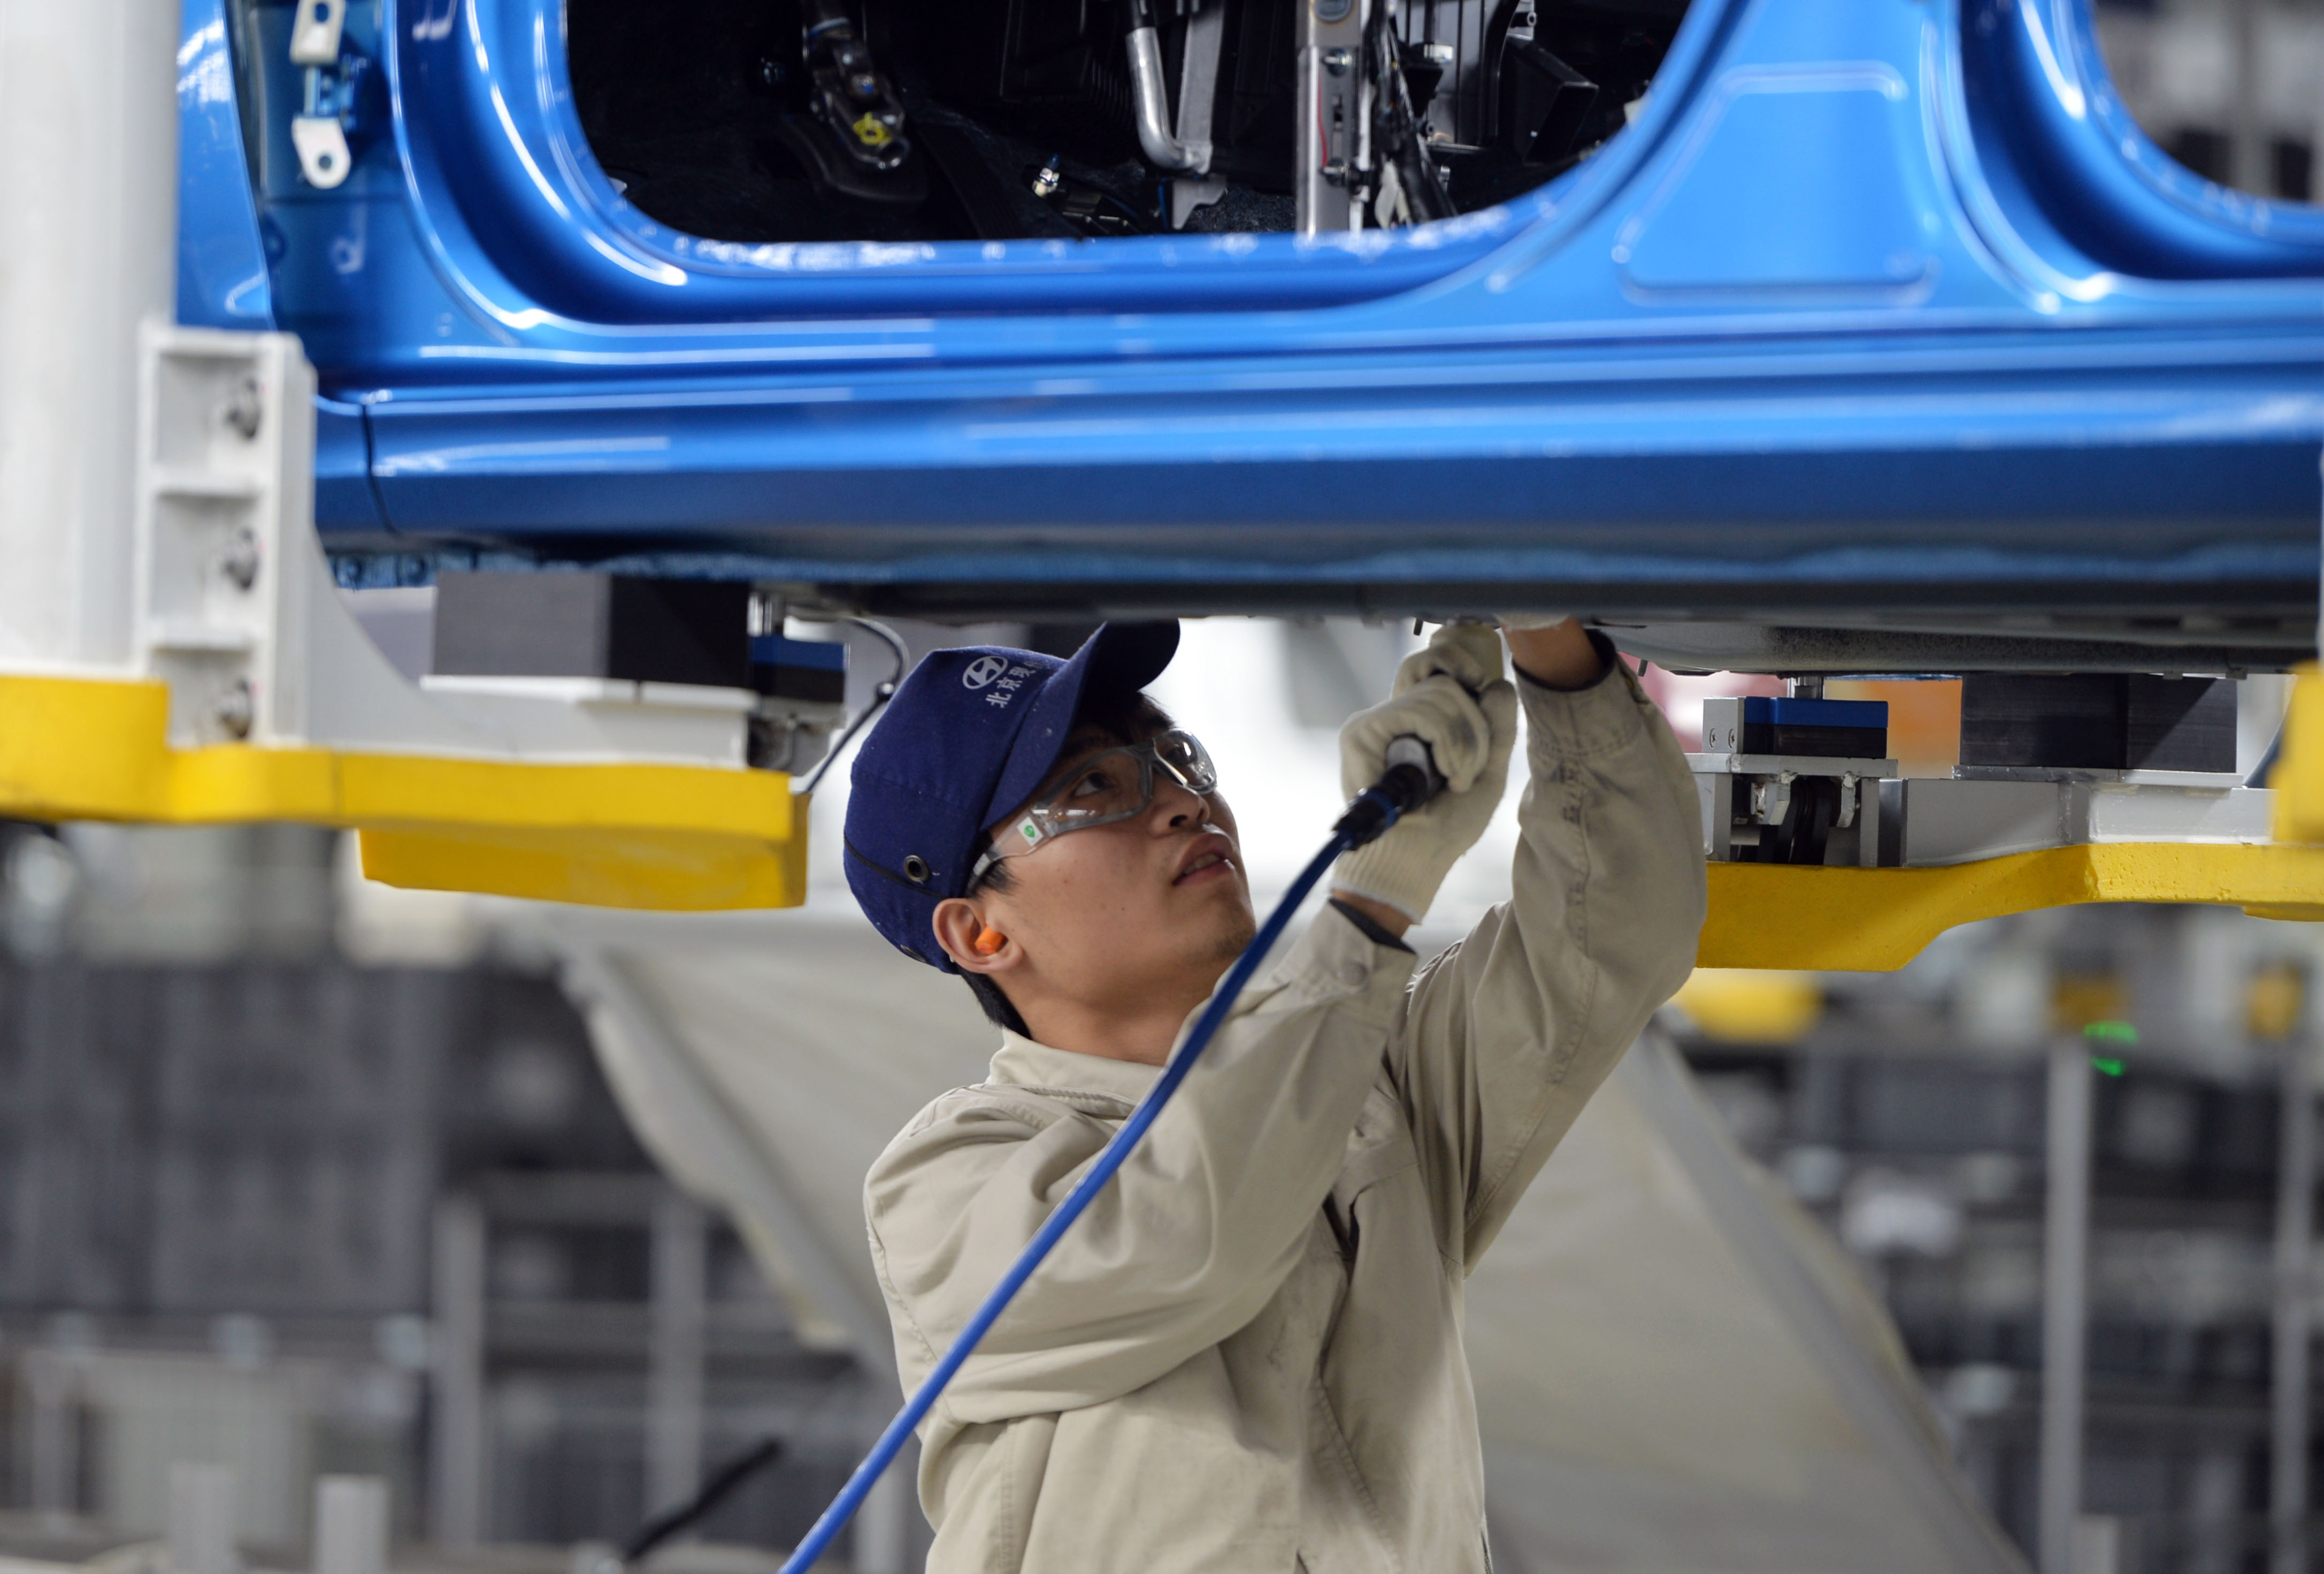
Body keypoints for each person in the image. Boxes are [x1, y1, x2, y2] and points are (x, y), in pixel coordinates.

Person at [841, 616, 1706, 1572]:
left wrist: (1547, 641)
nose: (1180, 802)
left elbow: (1617, 924)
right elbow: (1191, 1237)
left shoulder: (1368, 1086)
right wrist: (1373, 897)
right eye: (1093, 785)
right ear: (979, 934)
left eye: (1176, 757)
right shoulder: (949, 1180)